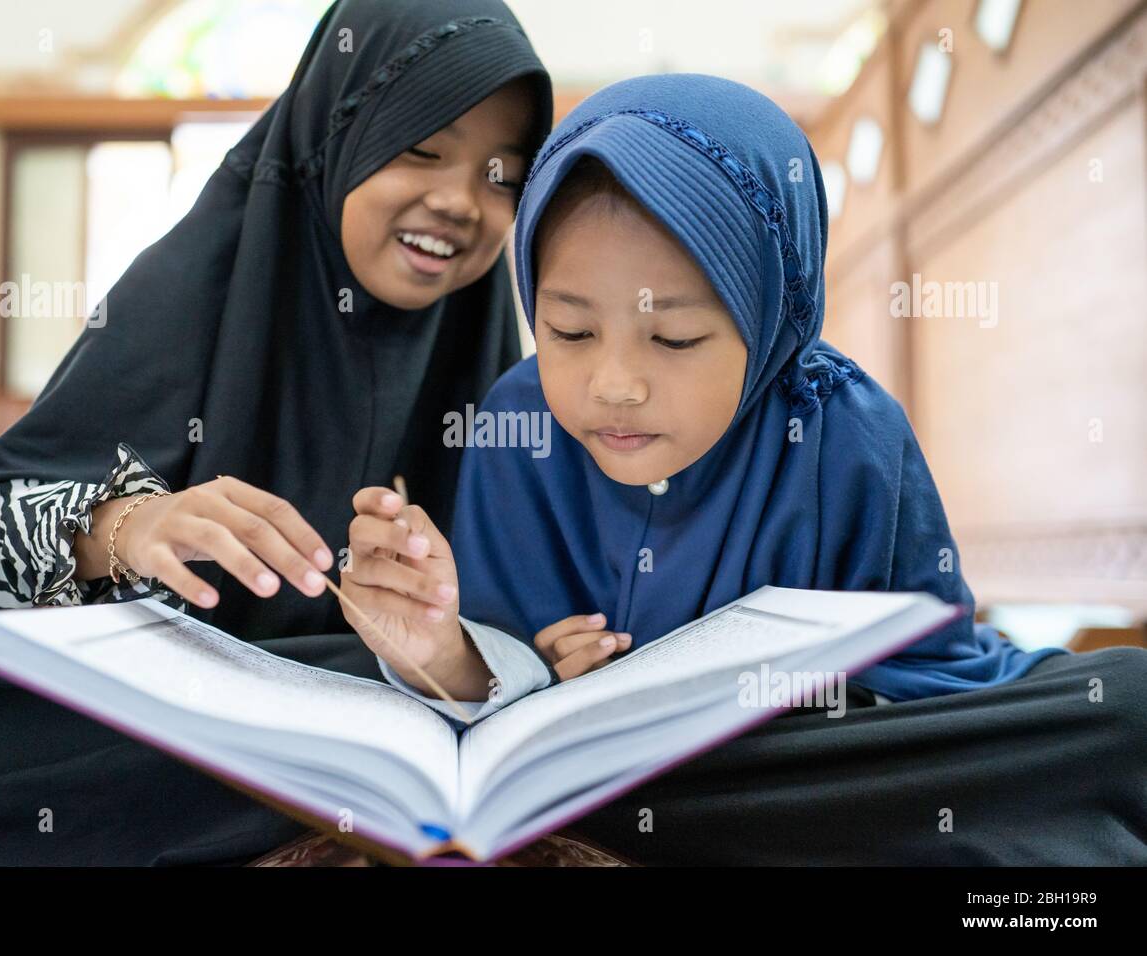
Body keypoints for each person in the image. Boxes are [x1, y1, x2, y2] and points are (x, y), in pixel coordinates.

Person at [337, 74, 1147, 864]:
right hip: (601, 789)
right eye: (569, 333)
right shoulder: (517, 425)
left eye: (676, 339)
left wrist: (793, 695)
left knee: (1125, 704)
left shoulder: (846, 430)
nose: (613, 385)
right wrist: (514, 670)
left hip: (800, 770)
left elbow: (929, 676)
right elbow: (488, 708)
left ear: (767, 321)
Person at [0, 0, 553, 865]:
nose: (458, 201)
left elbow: (518, 638)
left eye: (502, 173)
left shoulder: (504, 381)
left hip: (341, 746)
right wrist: (127, 529)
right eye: (421, 149)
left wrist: (460, 650)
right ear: (336, 139)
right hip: (129, 725)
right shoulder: (200, 290)